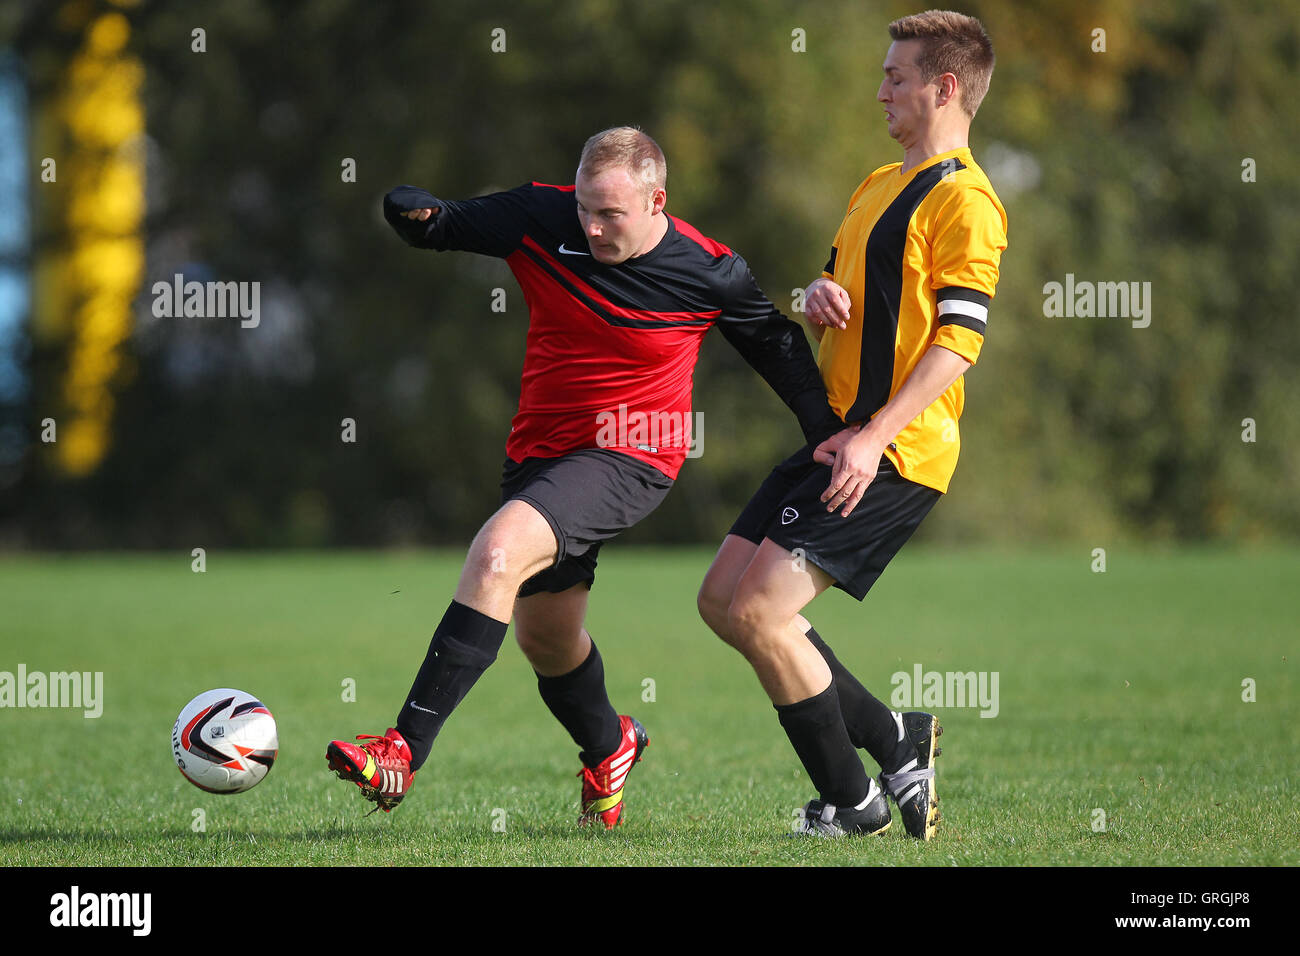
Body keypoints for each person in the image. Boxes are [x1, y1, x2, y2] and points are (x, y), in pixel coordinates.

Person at [326, 126, 845, 828]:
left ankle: (401, 752)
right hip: (541, 456)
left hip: (632, 454)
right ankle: (610, 744)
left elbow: (777, 347)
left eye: (612, 214)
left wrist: (831, 438)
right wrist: (409, 210)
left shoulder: (709, 269)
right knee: (545, 637)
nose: (594, 227)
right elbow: (442, 227)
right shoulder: (542, 215)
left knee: (498, 552)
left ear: (657, 200)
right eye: (586, 210)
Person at [697, 10, 1007, 839]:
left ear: (945, 88)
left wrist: (874, 438)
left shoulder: (967, 202)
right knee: (724, 600)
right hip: (836, 439)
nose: (881, 92)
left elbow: (959, 341)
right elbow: (833, 295)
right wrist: (817, 299)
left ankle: (854, 802)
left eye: (895, 77)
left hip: (894, 452)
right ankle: (893, 736)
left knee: (762, 611)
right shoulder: (876, 185)